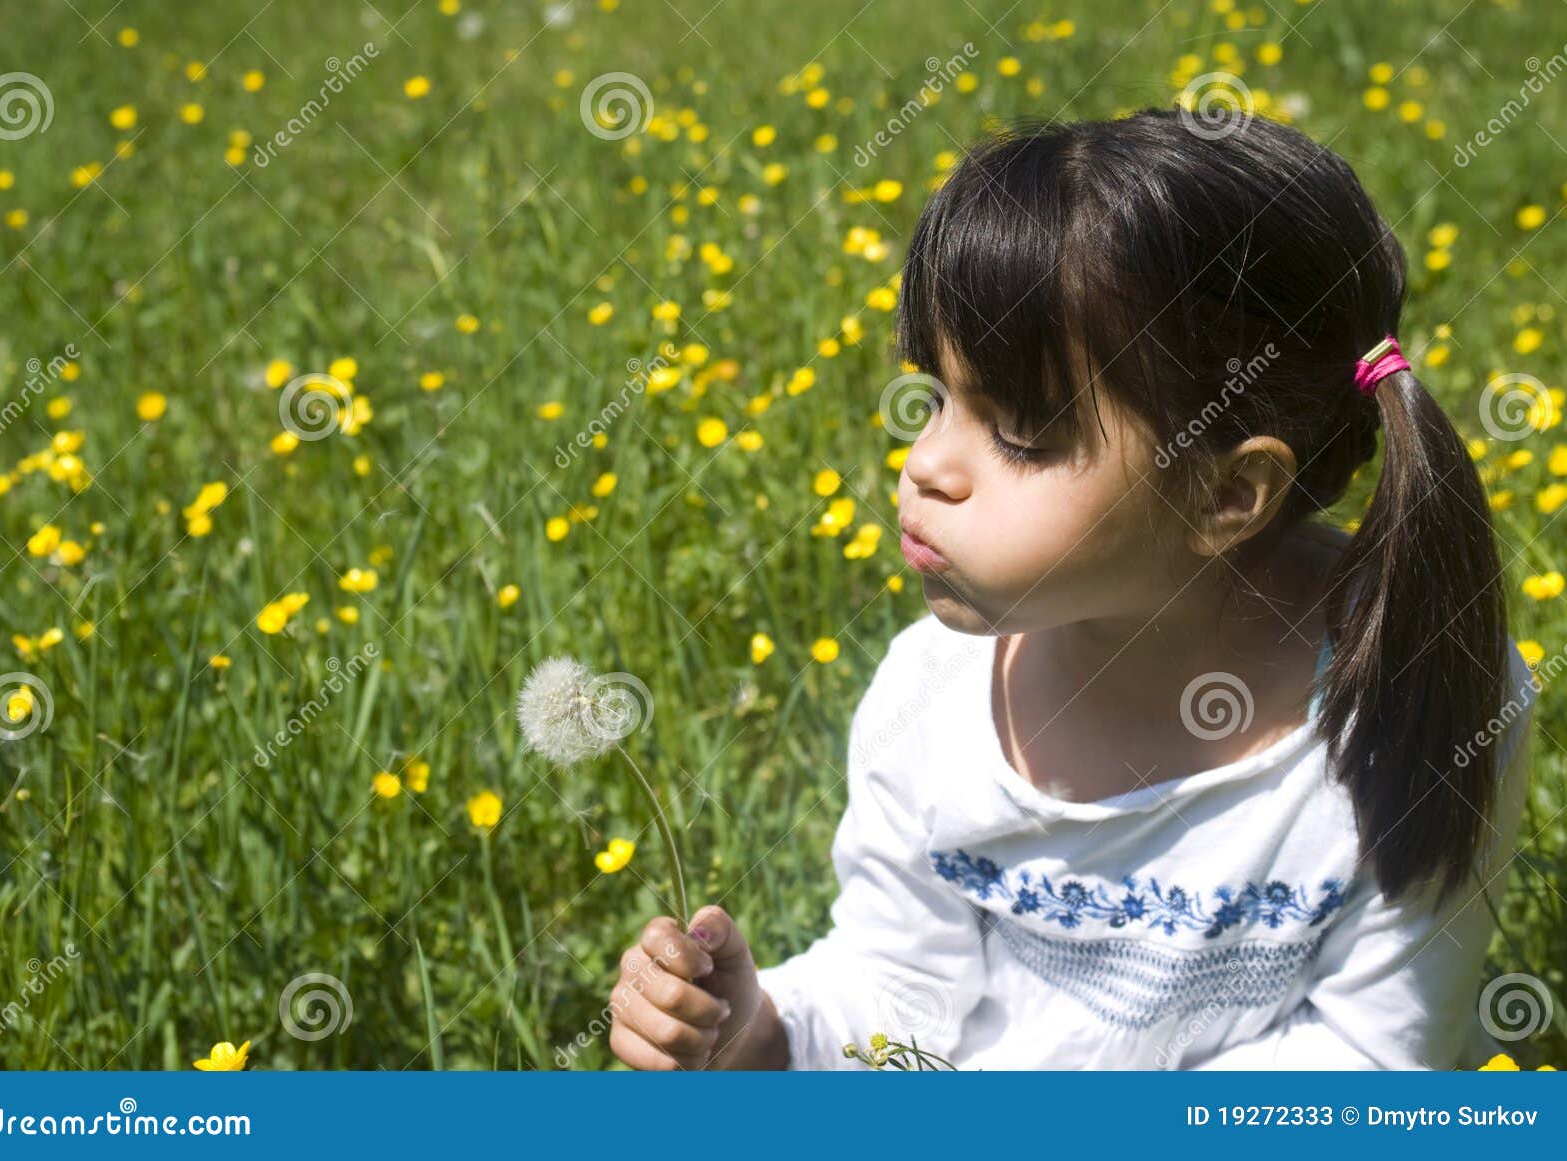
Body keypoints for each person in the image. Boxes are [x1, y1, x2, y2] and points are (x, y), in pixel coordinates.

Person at [606, 108, 1539, 1070]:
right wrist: (757, 1031)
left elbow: (1374, 1060)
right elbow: (897, 992)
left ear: (1225, 492)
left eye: (1020, 433)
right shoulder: (931, 698)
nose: (925, 466)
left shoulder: (1417, 698)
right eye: (936, 397)